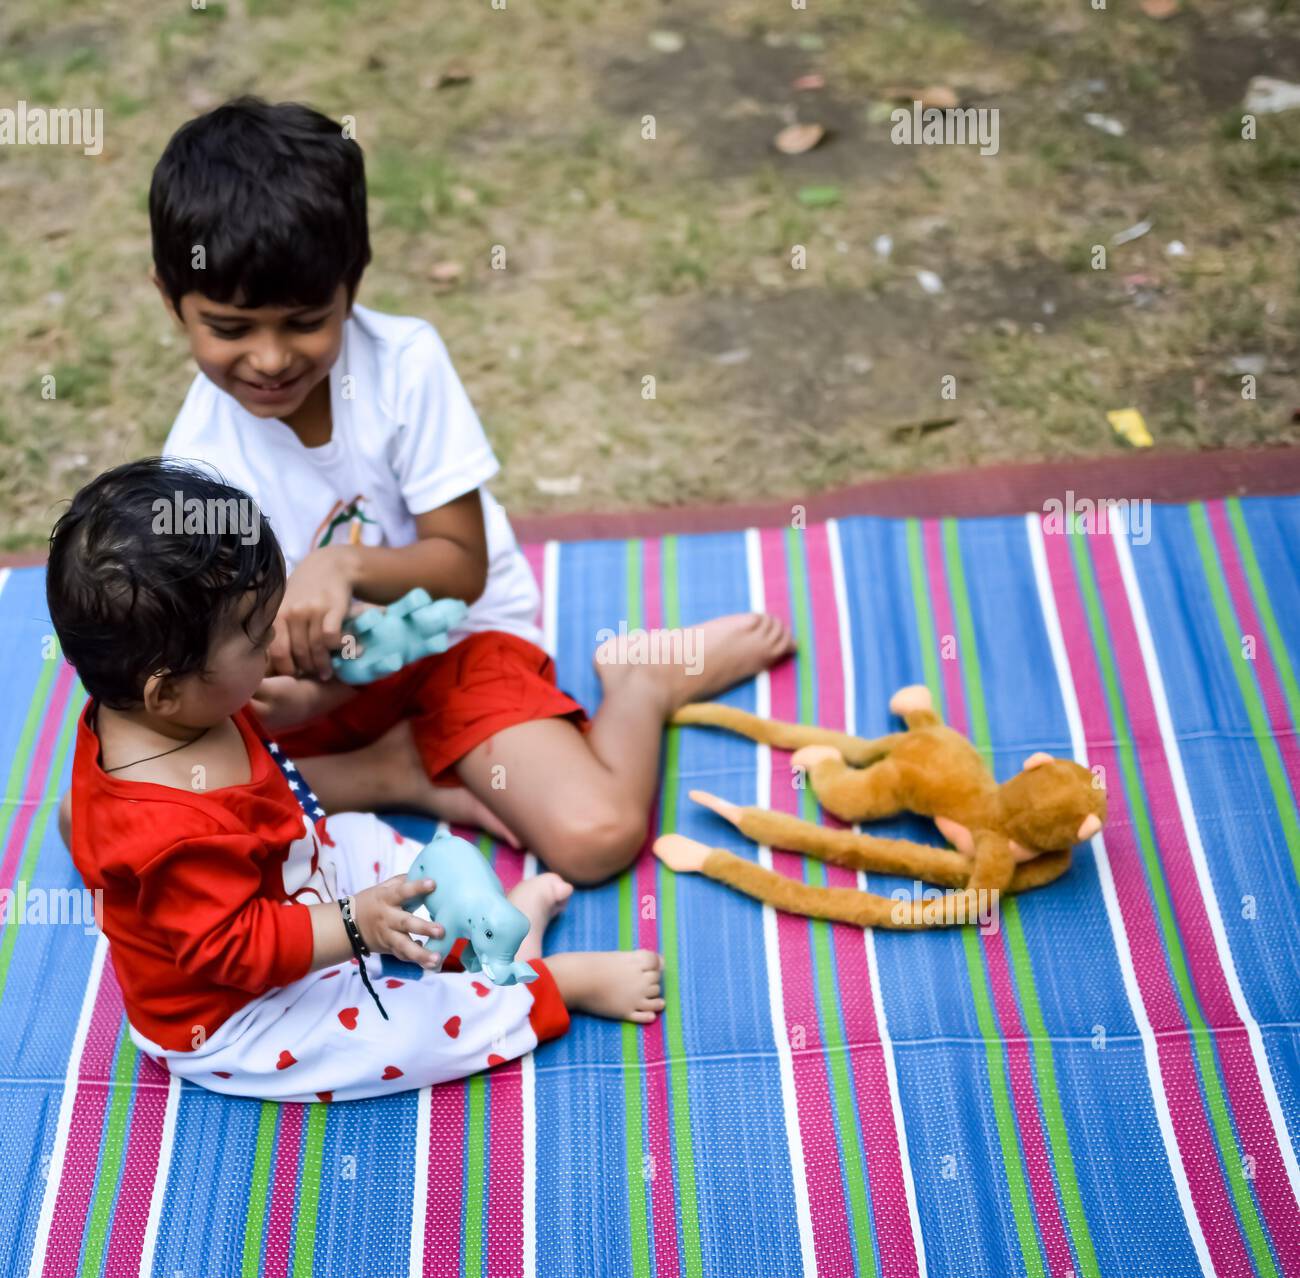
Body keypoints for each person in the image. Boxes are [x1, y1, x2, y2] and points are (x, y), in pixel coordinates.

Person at [147, 95, 796, 884]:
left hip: (456, 644)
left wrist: (344, 568)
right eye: (231, 327)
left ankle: (641, 681)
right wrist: (282, 688)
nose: (273, 357)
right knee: (140, 804)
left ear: (354, 281)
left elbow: (460, 568)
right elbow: (241, 653)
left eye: (306, 320)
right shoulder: (195, 467)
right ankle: (397, 773)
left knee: (597, 836)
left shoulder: (404, 365)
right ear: (169, 299)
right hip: (332, 694)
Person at [48, 460, 665, 1104]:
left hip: (292, 883)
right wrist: (354, 924)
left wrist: (352, 658)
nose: (272, 647)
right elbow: (238, 950)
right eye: (258, 639)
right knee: (396, 1030)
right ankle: (545, 986)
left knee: (358, 838)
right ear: (168, 690)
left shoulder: (168, 708)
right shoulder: (163, 831)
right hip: (241, 1012)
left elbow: (269, 739)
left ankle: (483, 937)